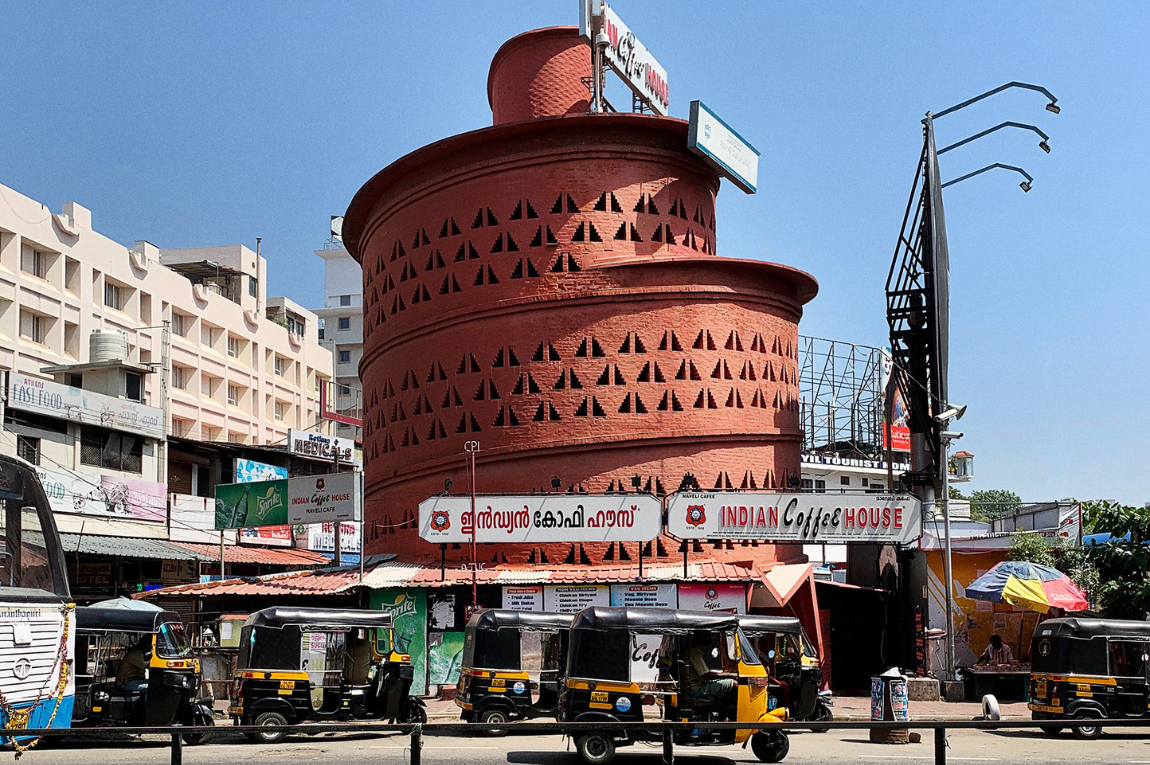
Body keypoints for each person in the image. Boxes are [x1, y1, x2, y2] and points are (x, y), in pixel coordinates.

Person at [686, 634, 736, 705]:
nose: (708, 638)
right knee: (734, 683)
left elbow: (704, 670)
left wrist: (723, 673)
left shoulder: (693, 649)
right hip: (696, 689)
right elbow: (706, 675)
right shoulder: (694, 651)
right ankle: (725, 711)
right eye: (706, 636)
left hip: (697, 685)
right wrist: (728, 675)